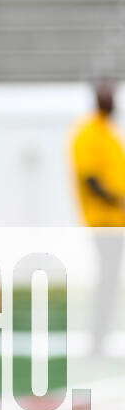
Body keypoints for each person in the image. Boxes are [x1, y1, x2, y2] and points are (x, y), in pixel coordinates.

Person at [70, 79, 125, 356]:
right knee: (107, 279)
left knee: (111, 279)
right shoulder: (88, 132)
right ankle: (97, 339)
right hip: (103, 221)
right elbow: (90, 178)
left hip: (116, 221)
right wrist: (118, 199)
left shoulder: (108, 131)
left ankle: (101, 336)